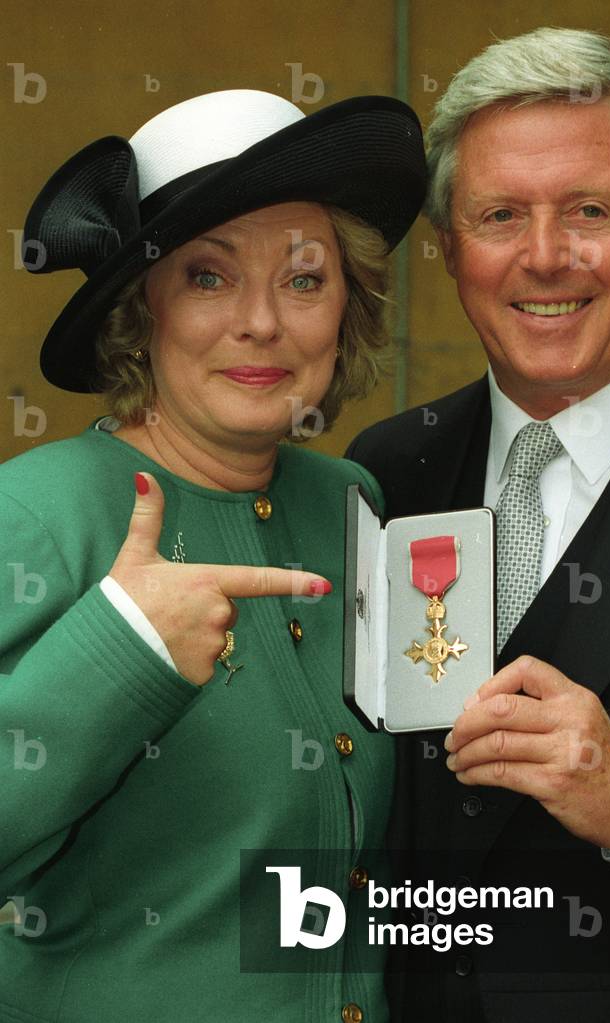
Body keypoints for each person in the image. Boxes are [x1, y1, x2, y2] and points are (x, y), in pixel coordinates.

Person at [347, 27, 610, 1022]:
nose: (544, 257)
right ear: (449, 248)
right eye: (499, 216)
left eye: (589, 210)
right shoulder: (385, 470)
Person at [0, 89, 425, 1021]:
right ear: (138, 312)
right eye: (208, 276)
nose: (263, 323)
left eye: (304, 279)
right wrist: (120, 652)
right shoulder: (33, 517)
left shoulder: (350, 504)